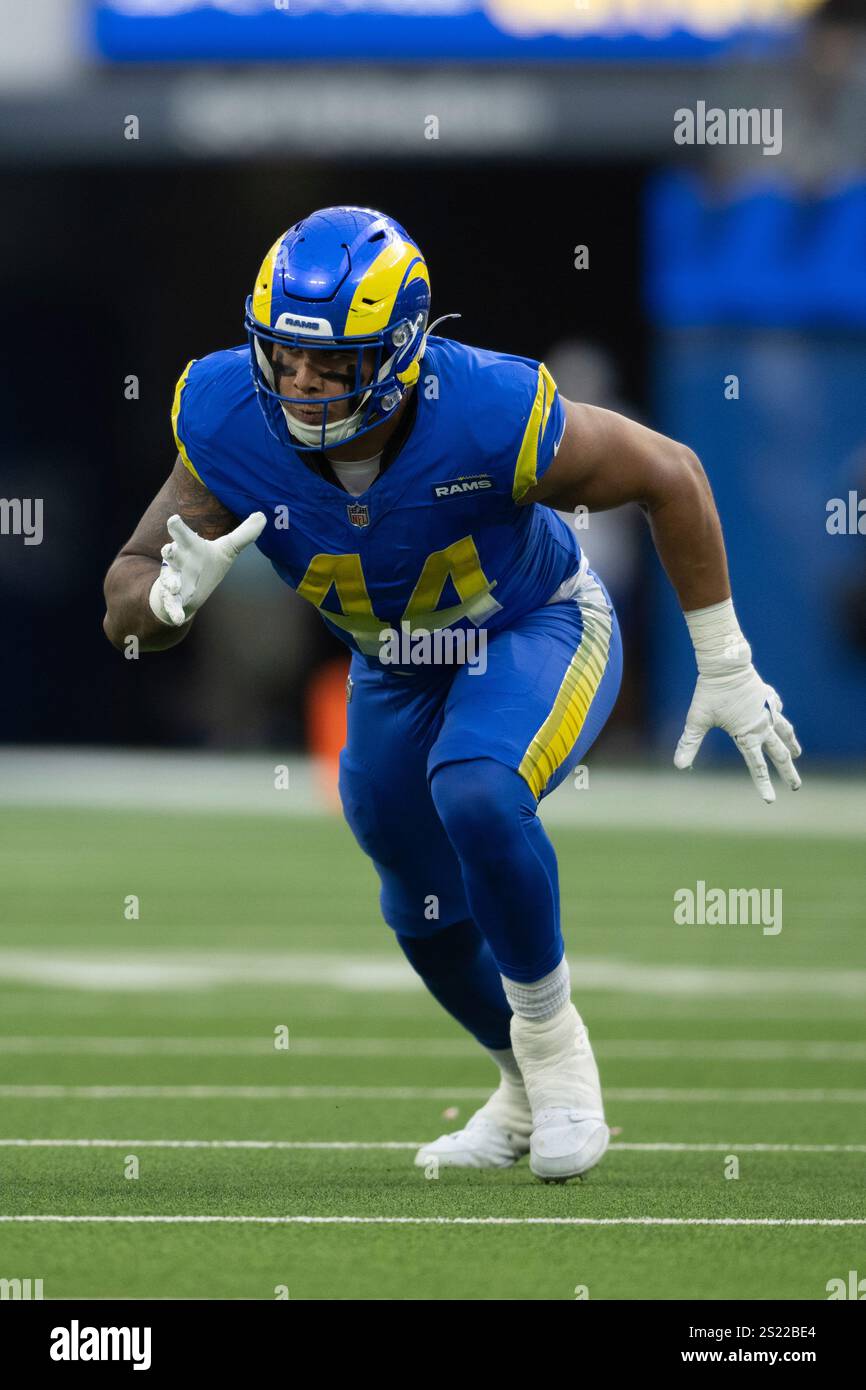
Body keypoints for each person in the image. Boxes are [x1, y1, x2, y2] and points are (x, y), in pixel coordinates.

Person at [103, 206, 801, 1182]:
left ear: (400, 352)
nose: (298, 383)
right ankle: (517, 1088)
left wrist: (722, 660)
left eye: (330, 363)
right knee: (416, 899)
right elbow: (128, 593)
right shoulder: (226, 417)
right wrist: (166, 601)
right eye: (283, 356)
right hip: (394, 665)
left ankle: (556, 1055)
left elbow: (671, 475)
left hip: (532, 624)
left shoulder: (484, 410)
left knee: (475, 787)